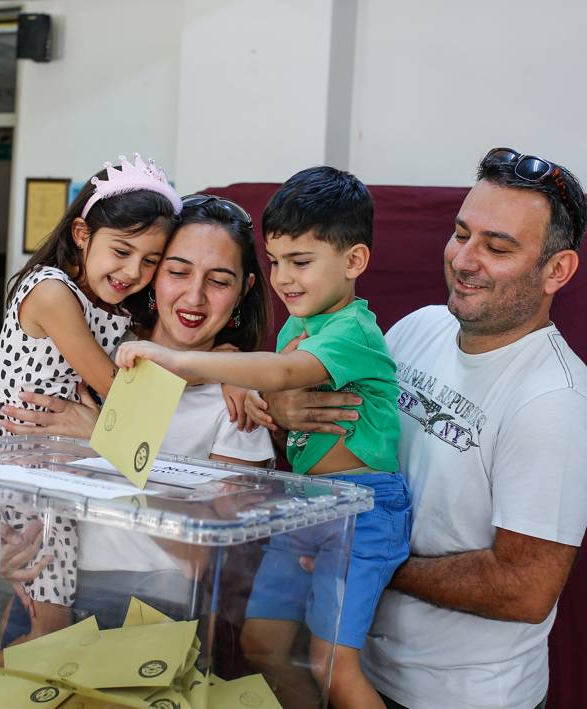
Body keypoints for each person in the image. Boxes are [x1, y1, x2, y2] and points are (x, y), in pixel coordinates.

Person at [248, 148, 587, 709]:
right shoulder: (419, 327)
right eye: (461, 234)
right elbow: (342, 440)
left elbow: (525, 589)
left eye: (497, 247)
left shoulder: (554, 400)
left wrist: (367, 560)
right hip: (366, 667)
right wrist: (283, 410)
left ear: (556, 271)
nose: (465, 260)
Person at [117, 166, 411, 709]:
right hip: (309, 507)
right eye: (276, 262)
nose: (285, 277)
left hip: (363, 507)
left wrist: (180, 359)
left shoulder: (353, 331)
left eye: (300, 262)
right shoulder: (298, 328)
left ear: (355, 261)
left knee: (332, 664)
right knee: (263, 645)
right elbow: (273, 382)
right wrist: (237, 375)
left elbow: (279, 375)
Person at [0, 193, 276, 628]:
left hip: (145, 607)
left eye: (219, 281)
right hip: (43, 578)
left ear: (244, 290)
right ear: (152, 273)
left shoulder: (235, 407)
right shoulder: (99, 347)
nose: (195, 296)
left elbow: (205, 556)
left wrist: (108, 445)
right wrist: (1, 542)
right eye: (177, 271)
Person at [0, 153, 181, 638]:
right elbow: (114, 389)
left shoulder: (114, 306)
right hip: (18, 460)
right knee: (51, 615)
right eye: (121, 250)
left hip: (52, 462)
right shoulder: (53, 292)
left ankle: (10, 678)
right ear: (82, 235)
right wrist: (217, 375)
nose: (133, 271)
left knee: (34, 605)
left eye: (150, 261)